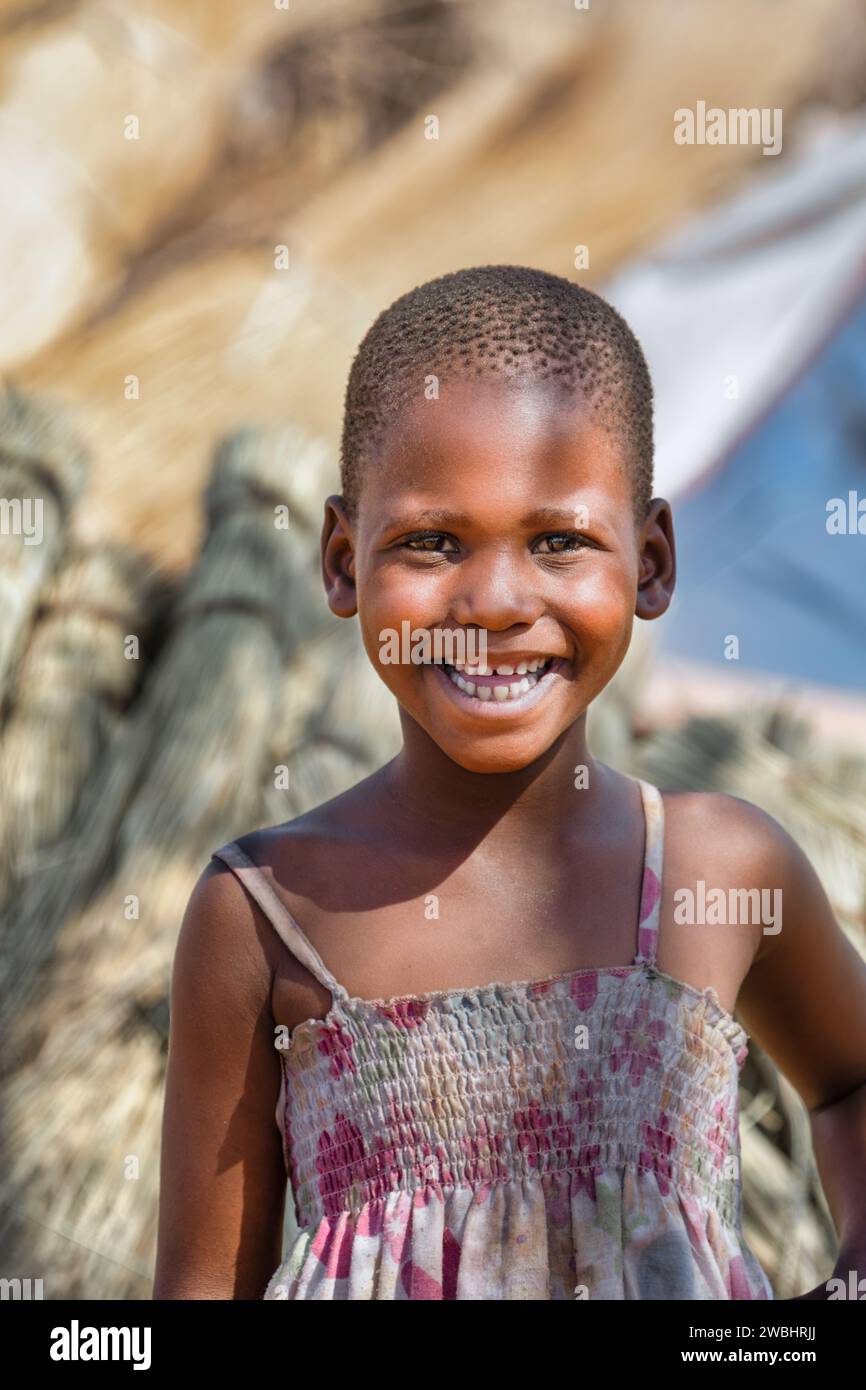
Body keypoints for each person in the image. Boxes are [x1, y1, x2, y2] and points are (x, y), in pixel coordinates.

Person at [153, 265, 866, 1300]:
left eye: (558, 541)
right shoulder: (262, 915)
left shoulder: (716, 866)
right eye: (431, 541)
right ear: (343, 562)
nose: (492, 600)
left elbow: (849, 1077)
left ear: (652, 563)